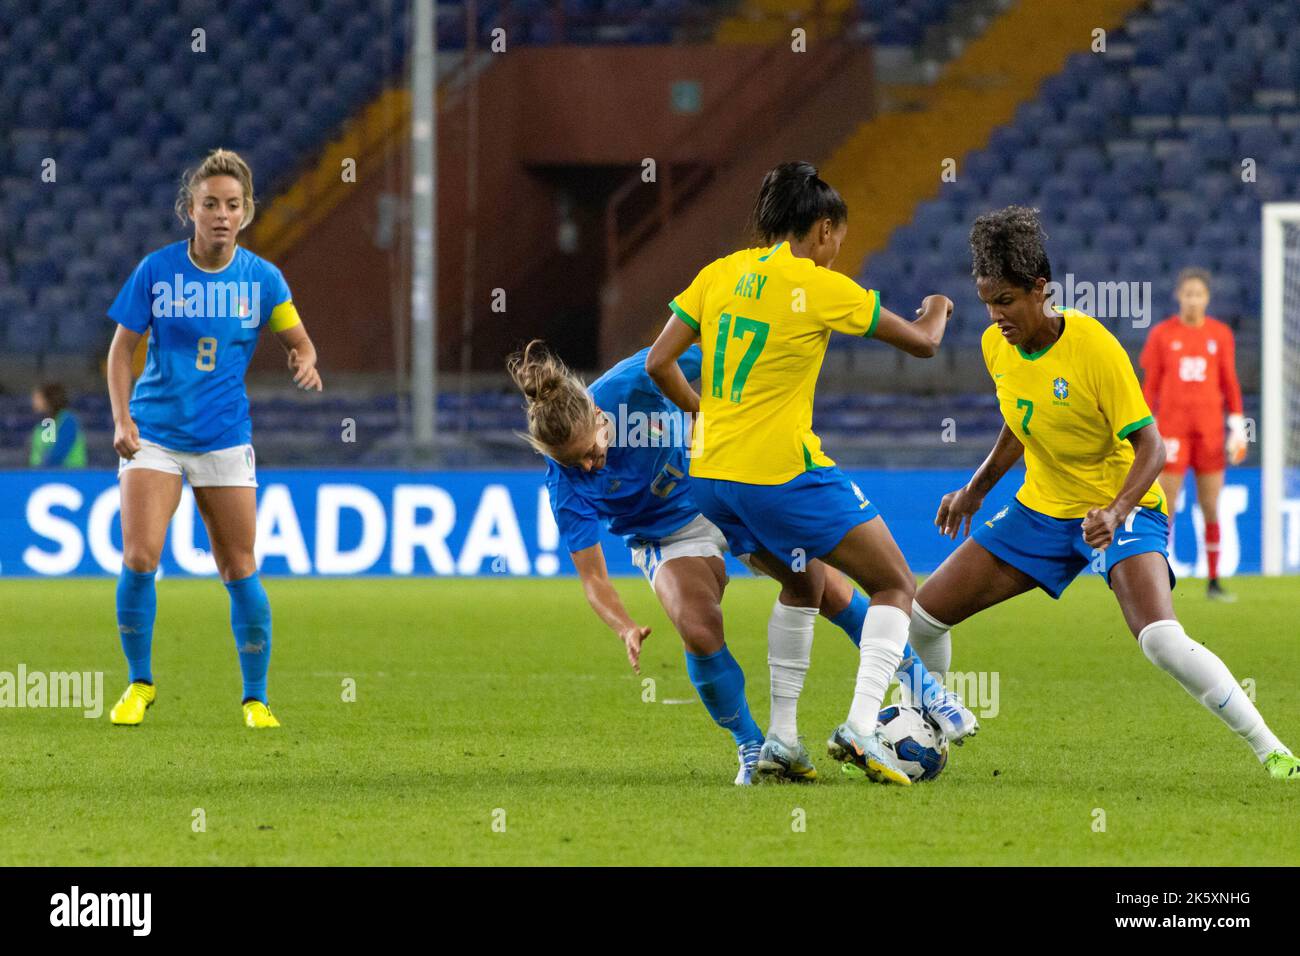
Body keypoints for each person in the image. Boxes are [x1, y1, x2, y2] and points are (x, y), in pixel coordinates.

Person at [907, 206, 1297, 781]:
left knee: (1160, 639)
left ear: (1041, 290)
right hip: (1040, 510)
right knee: (921, 617)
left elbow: (1153, 448)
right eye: (988, 302)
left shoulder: (1094, 347)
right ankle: (926, 735)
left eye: (1008, 301)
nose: (996, 316)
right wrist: (975, 490)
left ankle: (1273, 749)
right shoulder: (997, 346)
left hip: (1123, 506)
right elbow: (1021, 421)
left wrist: (1116, 511)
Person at [508, 339, 969, 785]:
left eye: (589, 451)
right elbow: (593, 579)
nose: (588, 467)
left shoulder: (635, 382)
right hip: (666, 536)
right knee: (698, 628)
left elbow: (722, 354)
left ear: (597, 414)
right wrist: (624, 626)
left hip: (726, 487)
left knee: (825, 591)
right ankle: (753, 746)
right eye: (574, 463)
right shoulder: (564, 484)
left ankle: (927, 688)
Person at [647, 160, 958, 787]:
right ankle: (863, 726)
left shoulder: (721, 272)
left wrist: (704, 411)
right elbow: (924, 342)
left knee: (803, 582)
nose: (838, 251)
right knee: (896, 583)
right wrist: (941, 305)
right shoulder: (817, 285)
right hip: (781, 471)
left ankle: (783, 741)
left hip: (710, 476)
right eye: (837, 239)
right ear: (820, 229)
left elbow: (658, 362)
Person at [105, 148, 323, 730]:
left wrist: (304, 359)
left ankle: (255, 699)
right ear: (190, 211)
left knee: (238, 565)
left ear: (247, 212)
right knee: (139, 555)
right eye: (210, 204)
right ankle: (139, 685)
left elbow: (298, 340)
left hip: (224, 438)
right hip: (155, 432)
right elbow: (121, 350)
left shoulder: (264, 280)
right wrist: (124, 420)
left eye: (232, 204)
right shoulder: (155, 271)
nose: (221, 214)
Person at [1139, 268, 1246, 601]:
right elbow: (1151, 385)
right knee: (1166, 505)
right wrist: (1143, 427)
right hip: (1172, 430)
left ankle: (1213, 580)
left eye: (1199, 294)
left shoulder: (1220, 335)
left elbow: (1229, 382)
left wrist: (1238, 427)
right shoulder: (1162, 335)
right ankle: (1160, 579)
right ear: (1178, 296)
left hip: (1210, 430)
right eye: (1188, 294)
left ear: (1207, 298)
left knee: (1210, 504)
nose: (1193, 300)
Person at [29, 383, 86, 468]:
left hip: (67, 474)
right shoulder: (45, 422)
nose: (33, 401)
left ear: (48, 399)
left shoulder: (67, 421)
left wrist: (41, 469)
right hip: (43, 474)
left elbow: (58, 453)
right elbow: (42, 451)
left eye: (37, 398)